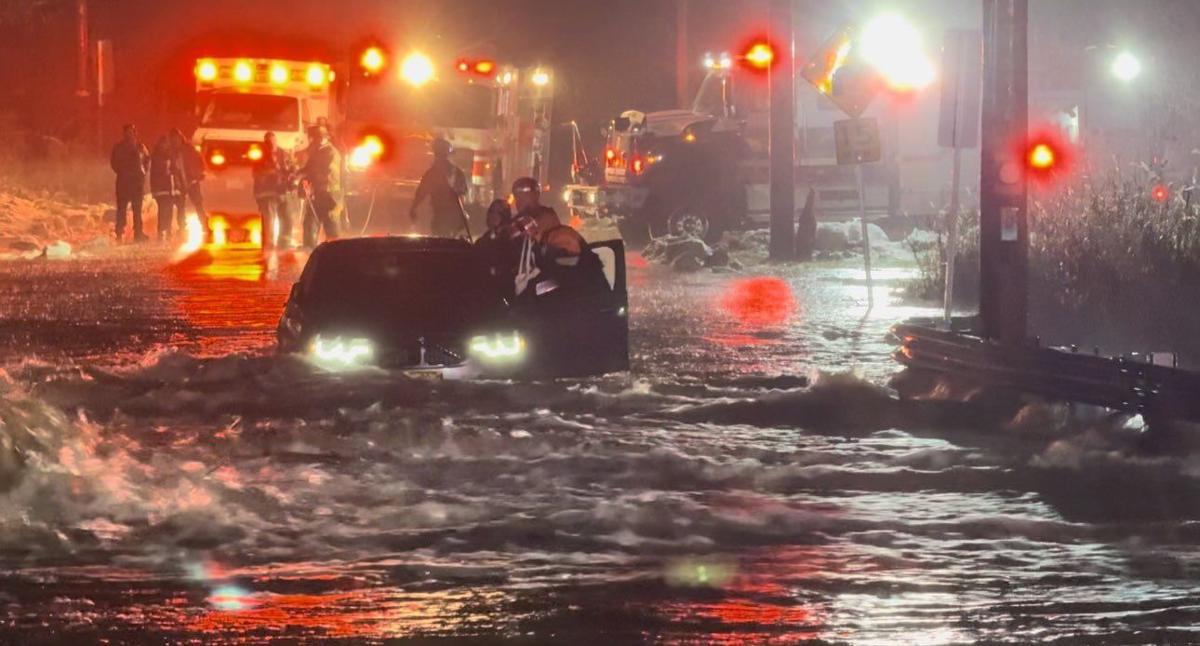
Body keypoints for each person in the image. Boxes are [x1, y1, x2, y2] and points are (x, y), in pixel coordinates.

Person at [410, 137, 469, 238]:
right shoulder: (457, 172)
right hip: (456, 216)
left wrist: (414, 208)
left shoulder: (432, 173)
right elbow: (464, 192)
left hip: (441, 215)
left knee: (441, 240)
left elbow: (421, 192)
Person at [300, 124, 341, 248]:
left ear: (324, 138)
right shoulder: (318, 151)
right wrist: (297, 175)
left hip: (329, 193)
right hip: (317, 192)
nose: (312, 142)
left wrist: (309, 177)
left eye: (315, 138)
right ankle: (309, 250)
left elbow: (327, 173)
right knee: (309, 222)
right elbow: (308, 168)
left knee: (330, 222)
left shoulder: (331, 152)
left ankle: (334, 250)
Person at [253, 132, 295, 248]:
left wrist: (292, 177)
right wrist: (272, 172)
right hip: (266, 193)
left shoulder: (284, 154)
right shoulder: (259, 154)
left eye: (273, 141)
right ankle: (269, 245)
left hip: (282, 191)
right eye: (269, 141)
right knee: (269, 220)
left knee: (287, 218)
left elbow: (291, 168)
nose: (272, 144)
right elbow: (257, 172)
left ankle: (285, 243)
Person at [109, 124, 150, 242]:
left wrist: (142, 172)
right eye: (127, 132)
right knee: (122, 209)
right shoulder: (118, 147)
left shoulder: (141, 147)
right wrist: (122, 171)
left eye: (132, 131)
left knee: (137, 210)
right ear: (124, 133)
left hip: (136, 183)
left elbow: (147, 159)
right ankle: (119, 232)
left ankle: (138, 233)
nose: (130, 134)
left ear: (134, 132)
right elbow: (113, 163)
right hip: (124, 182)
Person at [149, 134, 184, 241]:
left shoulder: (170, 156)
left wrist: (178, 185)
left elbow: (176, 170)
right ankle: (161, 231)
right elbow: (157, 173)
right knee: (163, 211)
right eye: (163, 143)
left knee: (168, 211)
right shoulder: (157, 156)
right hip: (161, 189)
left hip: (169, 189)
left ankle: (167, 231)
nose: (165, 145)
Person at [171, 128, 208, 230]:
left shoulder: (189, 149)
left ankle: (204, 224)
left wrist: (200, 173)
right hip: (179, 183)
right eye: (173, 139)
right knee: (180, 206)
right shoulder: (171, 152)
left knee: (198, 204)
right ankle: (182, 226)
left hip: (192, 181)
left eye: (177, 138)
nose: (175, 141)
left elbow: (199, 161)